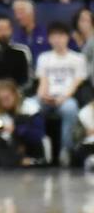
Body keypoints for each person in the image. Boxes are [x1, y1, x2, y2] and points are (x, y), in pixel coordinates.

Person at [35, 23, 88, 167]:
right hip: (47, 96)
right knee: (32, 107)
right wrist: (42, 96)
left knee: (71, 109)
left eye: (61, 36)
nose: (57, 39)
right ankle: (40, 149)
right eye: (54, 36)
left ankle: (66, 150)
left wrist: (63, 98)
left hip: (66, 98)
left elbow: (76, 83)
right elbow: (42, 81)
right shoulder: (44, 57)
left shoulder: (77, 58)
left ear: (67, 37)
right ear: (49, 39)